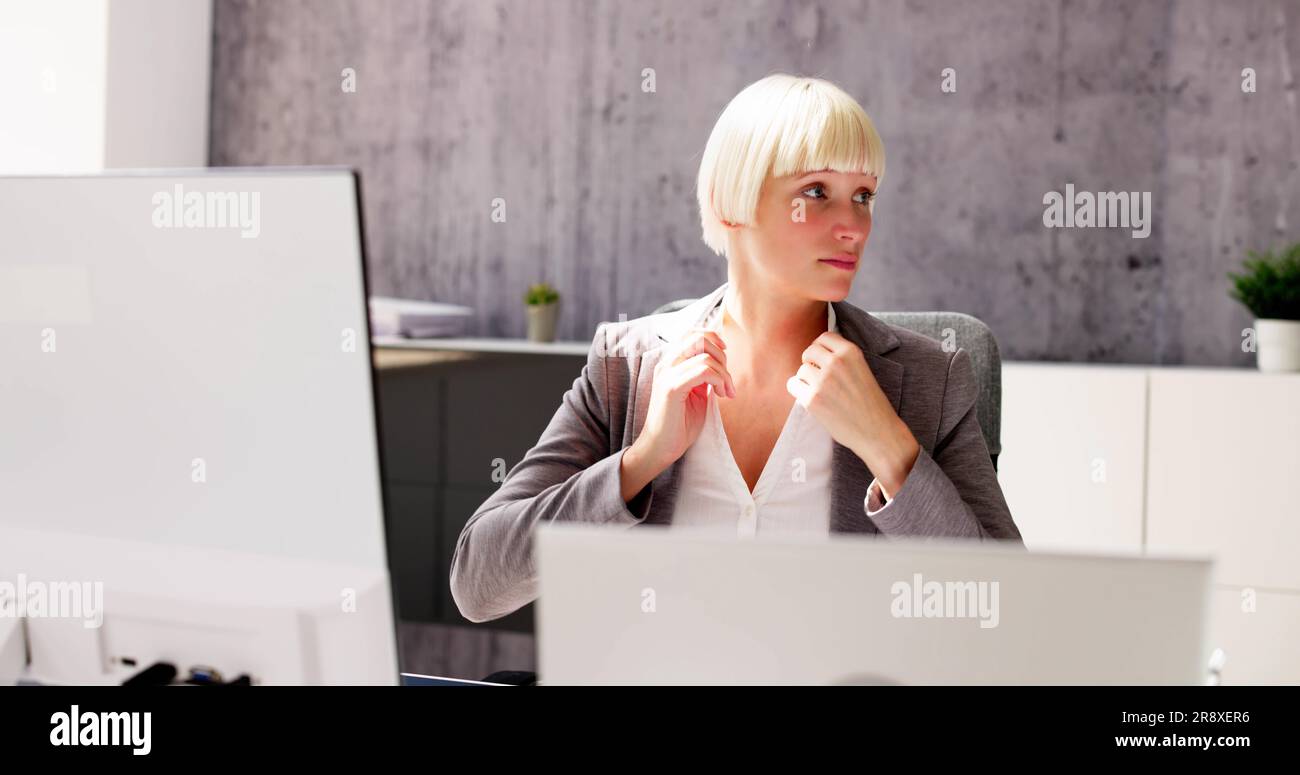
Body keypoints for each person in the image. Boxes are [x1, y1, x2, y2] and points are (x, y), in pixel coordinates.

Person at [451, 73, 1022, 623]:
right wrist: (641, 460)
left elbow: (1006, 614)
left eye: (864, 196)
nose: (854, 226)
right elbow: (478, 582)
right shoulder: (624, 366)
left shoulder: (930, 380)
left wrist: (891, 450)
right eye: (817, 192)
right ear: (732, 203)